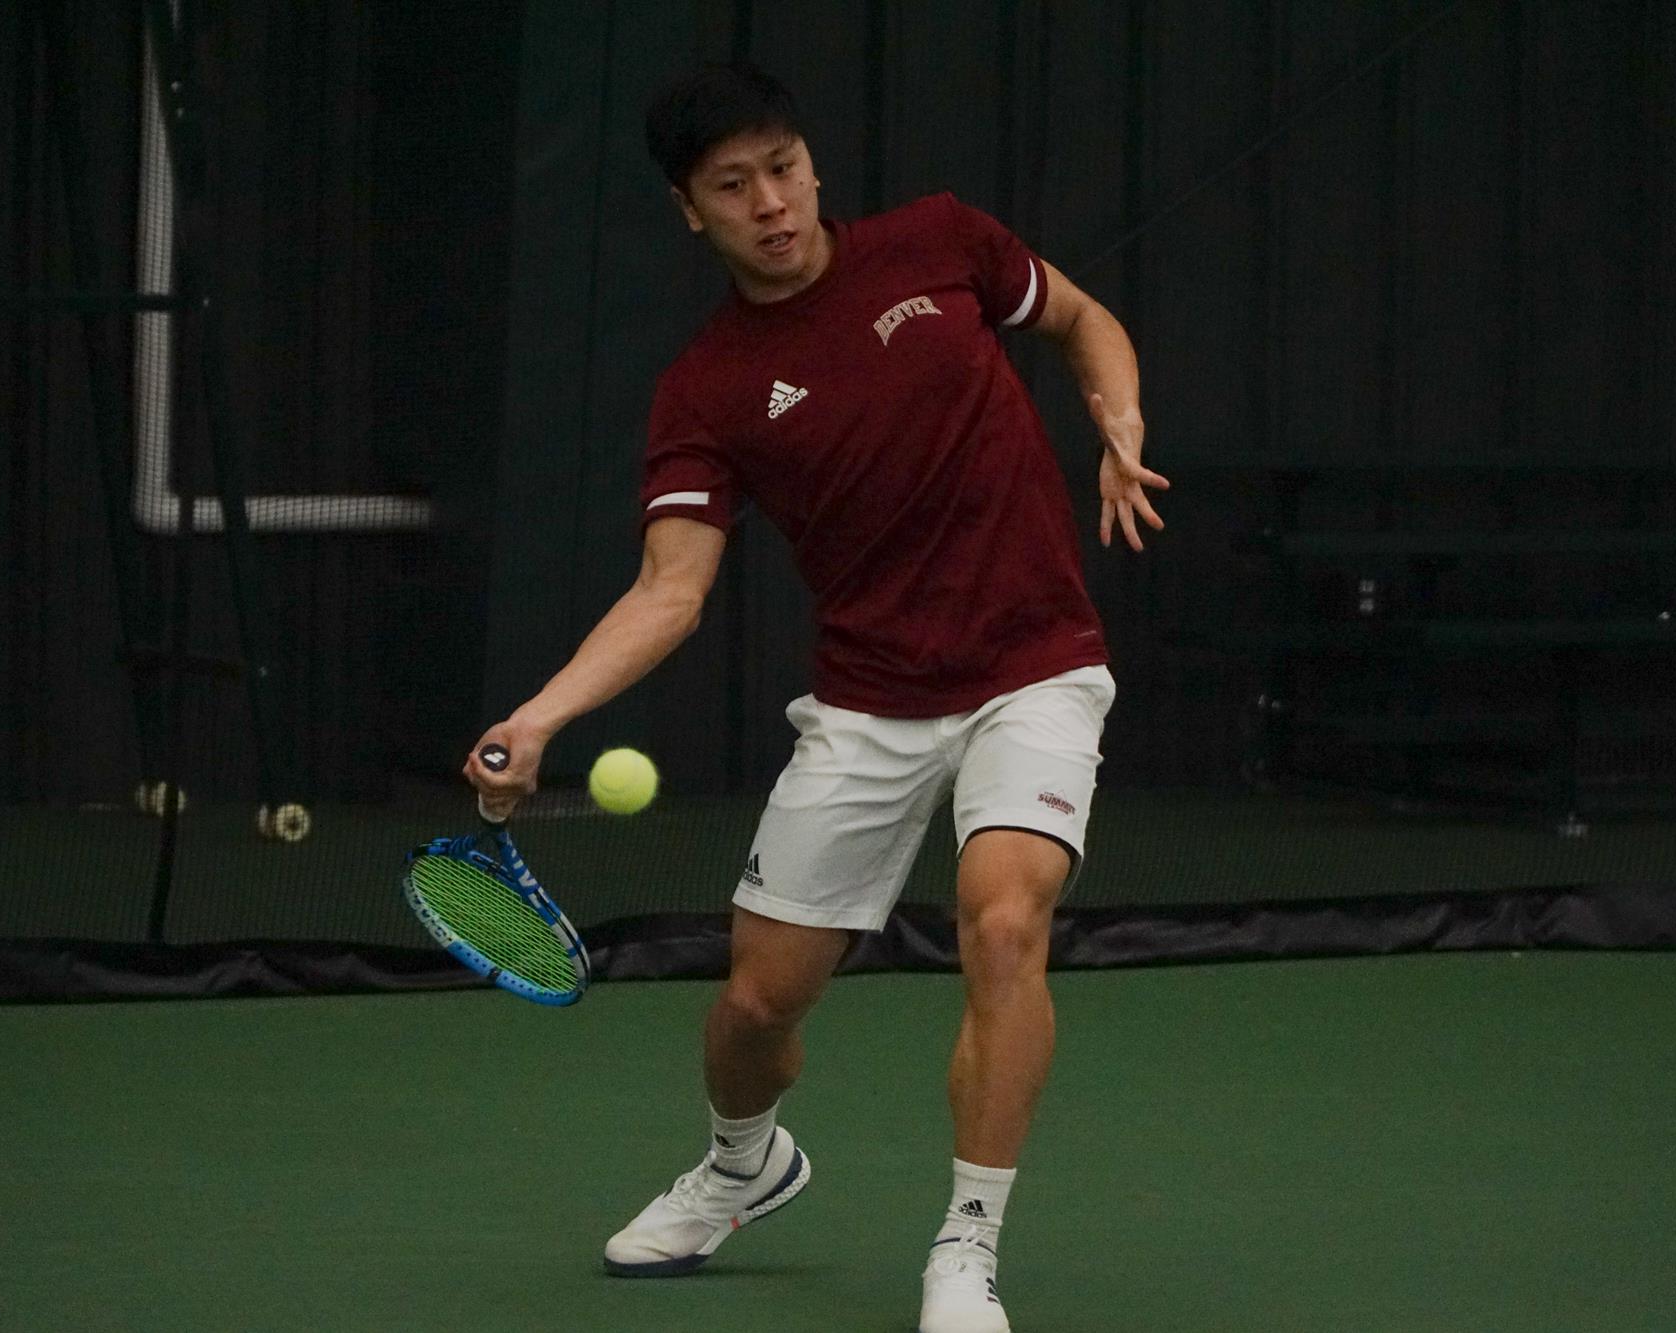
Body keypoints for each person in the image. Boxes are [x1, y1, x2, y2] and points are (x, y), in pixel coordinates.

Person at [465, 61, 1166, 1333]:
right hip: (868, 702)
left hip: (1035, 663)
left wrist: (1115, 420)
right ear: (690, 212)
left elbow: (1080, 319)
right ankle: (744, 1164)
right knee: (753, 1007)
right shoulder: (707, 389)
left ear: (813, 164)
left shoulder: (940, 245)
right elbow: (670, 590)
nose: (770, 203)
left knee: (1004, 922)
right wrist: (542, 716)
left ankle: (964, 1249)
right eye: (732, 187)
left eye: (781, 168)